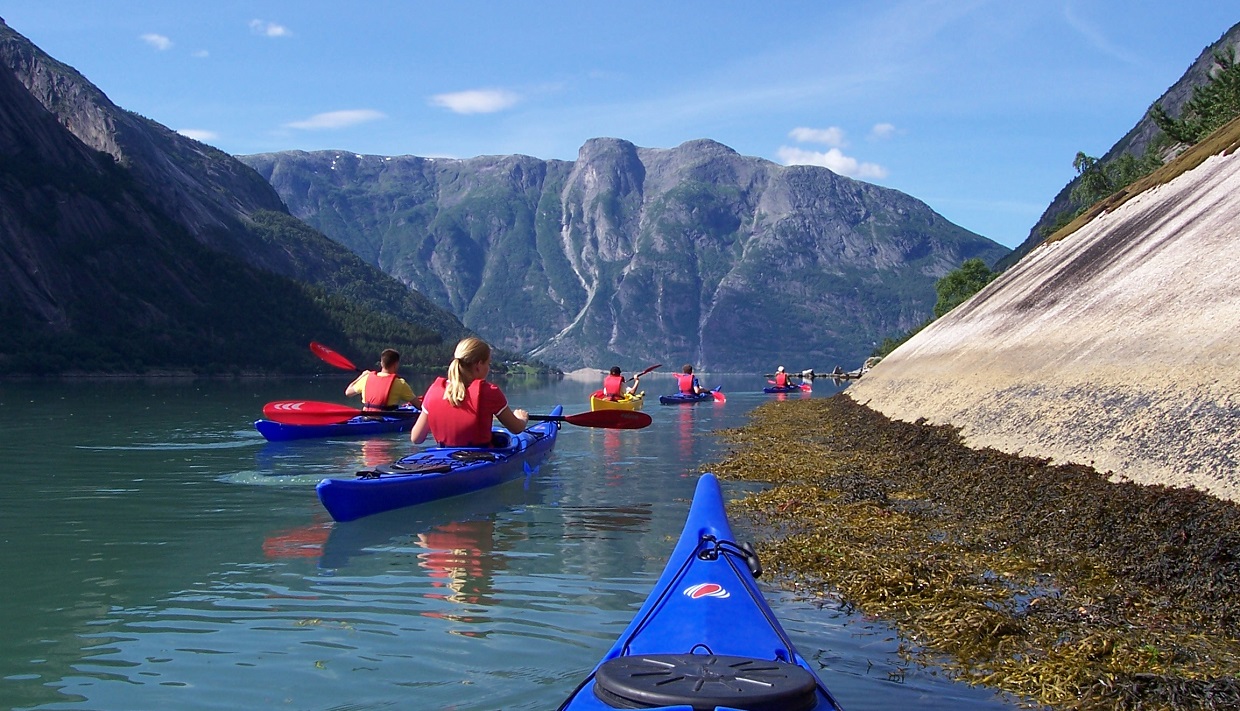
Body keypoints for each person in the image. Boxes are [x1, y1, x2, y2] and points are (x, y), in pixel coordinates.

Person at [410, 337, 529, 448]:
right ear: (479, 365)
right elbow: (516, 428)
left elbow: (416, 438)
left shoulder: (433, 390)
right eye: (488, 363)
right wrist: (522, 419)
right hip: (481, 456)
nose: (488, 368)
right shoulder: (489, 392)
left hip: (444, 457)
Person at [345, 348, 420, 412]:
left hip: (366, 417)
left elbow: (348, 392)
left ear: (381, 363)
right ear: (396, 365)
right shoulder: (400, 383)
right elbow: (419, 406)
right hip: (387, 419)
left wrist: (361, 376)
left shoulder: (366, 378)